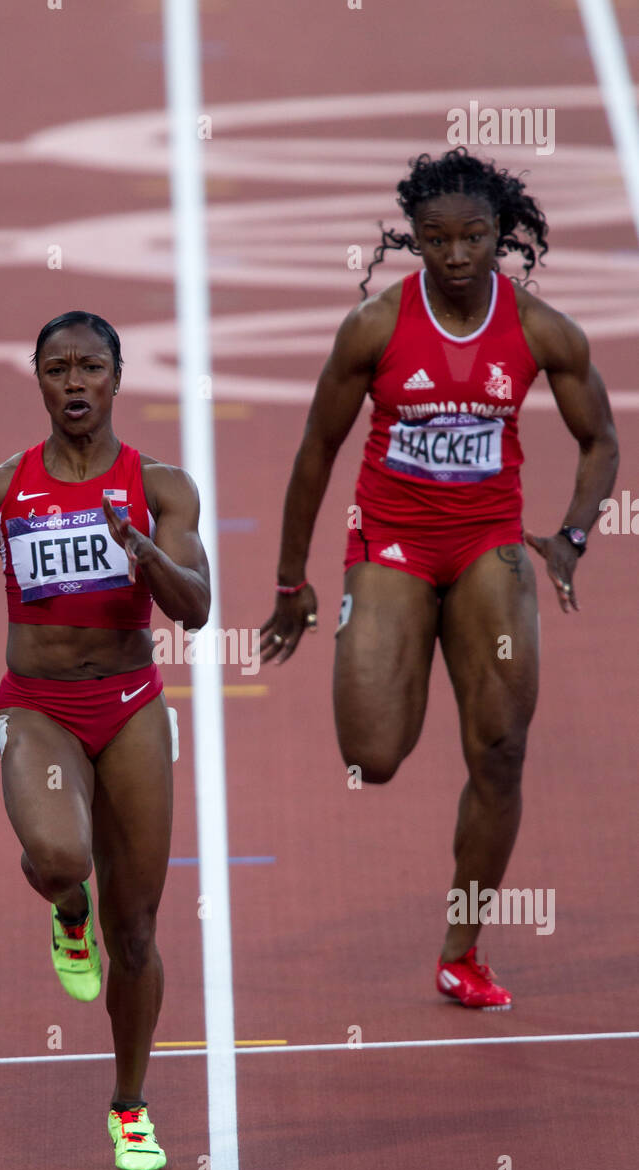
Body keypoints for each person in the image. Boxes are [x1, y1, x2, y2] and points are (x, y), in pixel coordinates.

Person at [261, 150, 618, 1008]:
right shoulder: (376, 328)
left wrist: (572, 534)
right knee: (374, 755)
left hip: (489, 542)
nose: (457, 257)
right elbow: (317, 449)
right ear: (412, 239)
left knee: (501, 752)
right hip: (391, 543)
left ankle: (463, 949)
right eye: (436, 240)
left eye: (474, 238)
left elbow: (600, 439)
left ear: (504, 236)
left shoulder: (541, 331)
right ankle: (403, 638)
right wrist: (289, 583)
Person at [0, 310, 210, 1169]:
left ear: (118, 377)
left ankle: (129, 1105)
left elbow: (196, 607)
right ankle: (65, 911)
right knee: (59, 857)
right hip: (39, 707)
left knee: (142, 930)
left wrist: (145, 552)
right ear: (38, 381)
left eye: (89, 368)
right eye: (56, 369)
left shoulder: (162, 487)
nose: (74, 383)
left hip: (131, 706)